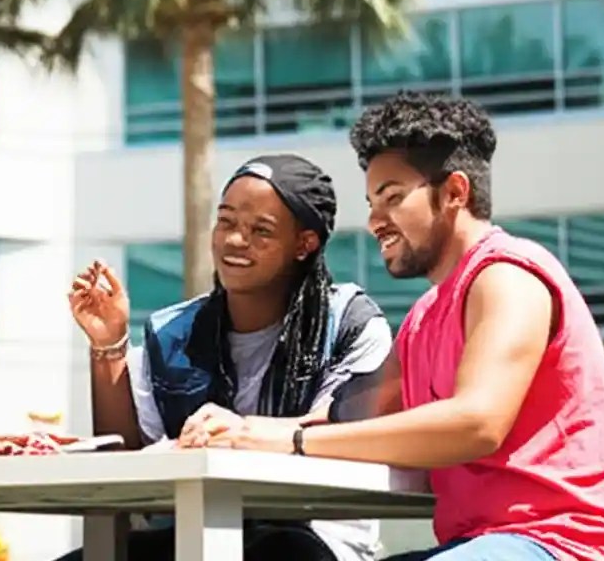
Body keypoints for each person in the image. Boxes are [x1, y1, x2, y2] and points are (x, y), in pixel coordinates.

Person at [201, 91, 604, 560]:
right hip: (485, 545)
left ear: (455, 193)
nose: (375, 220)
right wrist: (241, 429)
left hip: (572, 544)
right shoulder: (423, 319)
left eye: (393, 197)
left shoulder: (509, 276)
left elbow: (477, 422)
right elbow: (357, 412)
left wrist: (293, 441)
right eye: (372, 202)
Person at [59, 153, 395, 561]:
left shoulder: (350, 323)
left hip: (311, 536)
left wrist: (239, 434)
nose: (235, 240)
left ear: (304, 244)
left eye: (261, 230)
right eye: (226, 221)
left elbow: (343, 429)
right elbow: (124, 470)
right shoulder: (173, 333)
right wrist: (108, 346)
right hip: (195, 531)